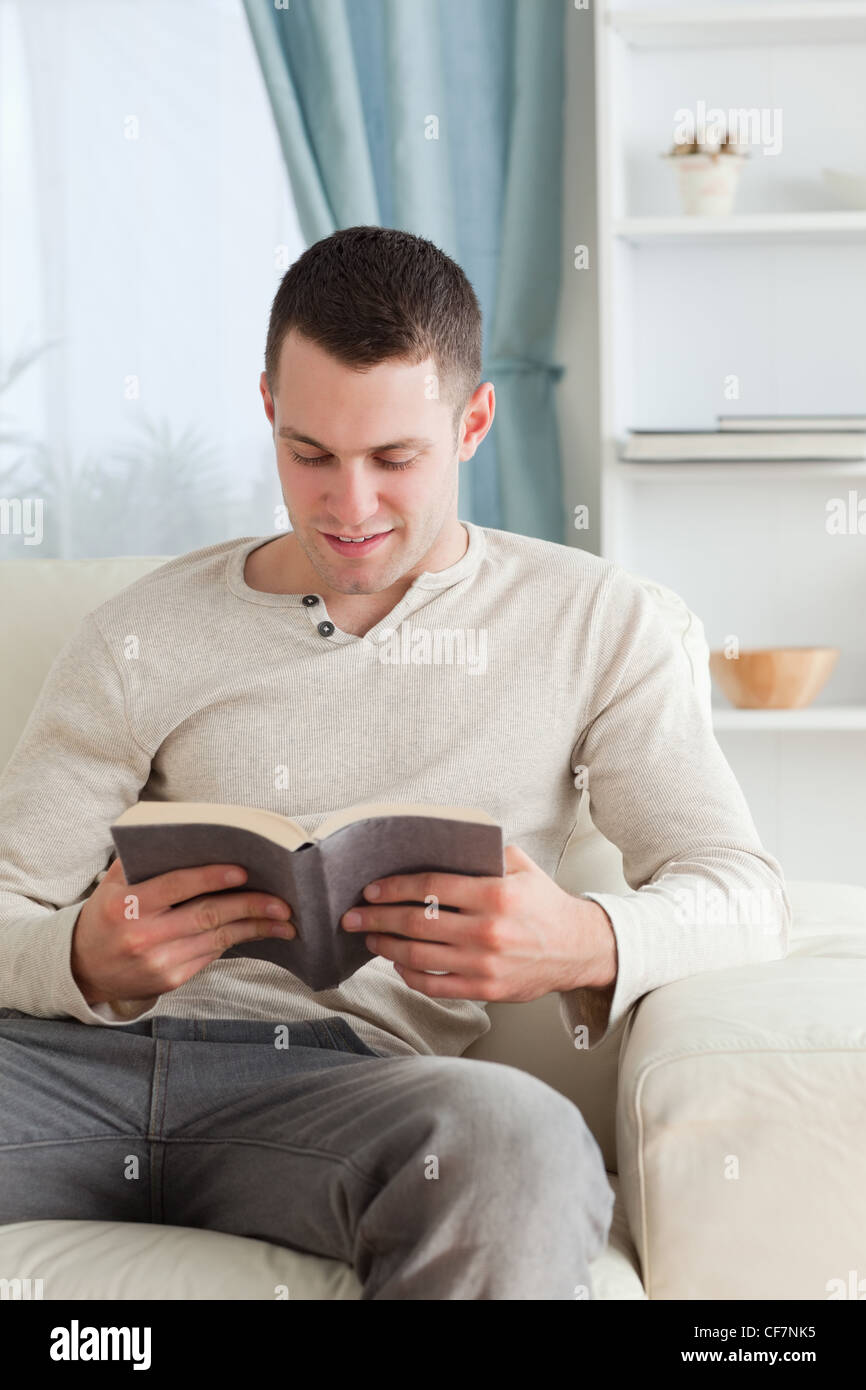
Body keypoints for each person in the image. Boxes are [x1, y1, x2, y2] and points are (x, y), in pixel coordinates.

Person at [0, 225, 790, 1300]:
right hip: (59, 1074)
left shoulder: (594, 622)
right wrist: (84, 959)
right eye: (310, 455)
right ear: (269, 409)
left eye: (393, 459)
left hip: (343, 1091)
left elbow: (743, 893)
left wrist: (583, 939)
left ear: (471, 423)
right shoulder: (138, 635)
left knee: (520, 1146)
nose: (350, 506)